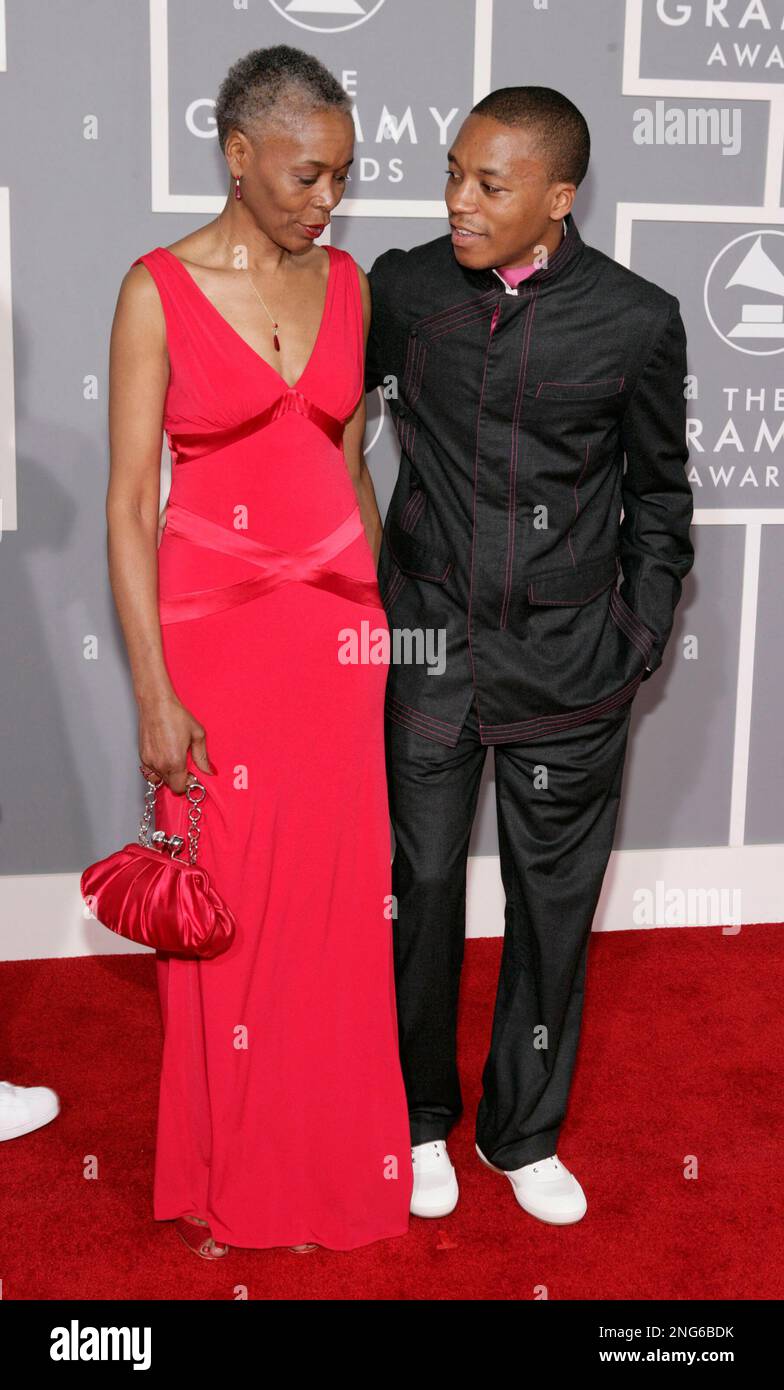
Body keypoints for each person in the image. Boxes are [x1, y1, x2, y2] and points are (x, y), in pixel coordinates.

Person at [365, 87, 694, 1225]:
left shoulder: (638, 320)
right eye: (452, 171)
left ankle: (522, 1133)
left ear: (558, 199)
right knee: (419, 890)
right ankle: (415, 1120)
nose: (457, 199)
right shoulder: (401, 291)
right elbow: (325, 431)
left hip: (570, 668)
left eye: (488, 184)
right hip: (428, 647)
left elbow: (660, 497)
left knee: (552, 908)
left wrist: (635, 638)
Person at [106, 44, 412, 1256]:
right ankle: (229, 1173)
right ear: (238, 157)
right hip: (214, 640)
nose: (325, 199)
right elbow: (132, 503)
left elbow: (346, 465)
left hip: (335, 633)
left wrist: (378, 624)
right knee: (230, 908)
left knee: (335, 909)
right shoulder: (154, 288)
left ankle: (324, 1163)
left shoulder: (348, 284)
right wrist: (151, 692)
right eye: (303, 175)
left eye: (340, 176)